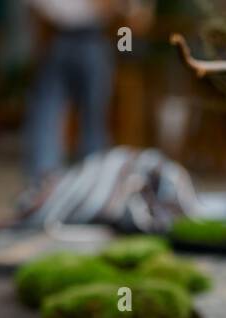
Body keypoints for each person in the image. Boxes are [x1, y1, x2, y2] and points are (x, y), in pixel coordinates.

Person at [23, 0, 149, 183]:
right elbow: (134, 18)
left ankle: (51, 182)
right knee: (86, 117)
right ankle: (85, 181)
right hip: (80, 39)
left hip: (73, 39)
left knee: (61, 115)